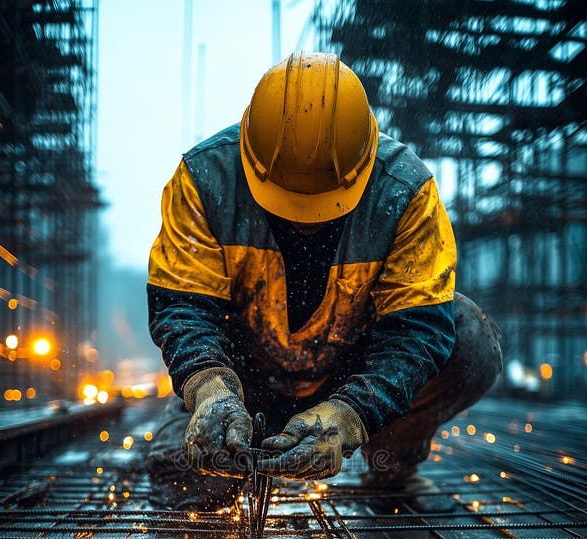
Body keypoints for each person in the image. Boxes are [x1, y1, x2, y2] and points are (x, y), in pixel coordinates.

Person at [146, 51, 502, 510]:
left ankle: (390, 463)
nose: (305, 221)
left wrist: (352, 413)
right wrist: (210, 388)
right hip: (242, 377)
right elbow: (183, 305)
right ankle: (211, 415)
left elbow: (418, 328)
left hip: (352, 373)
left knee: (471, 339)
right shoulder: (203, 178)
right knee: (192, 485)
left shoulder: (406, 191)